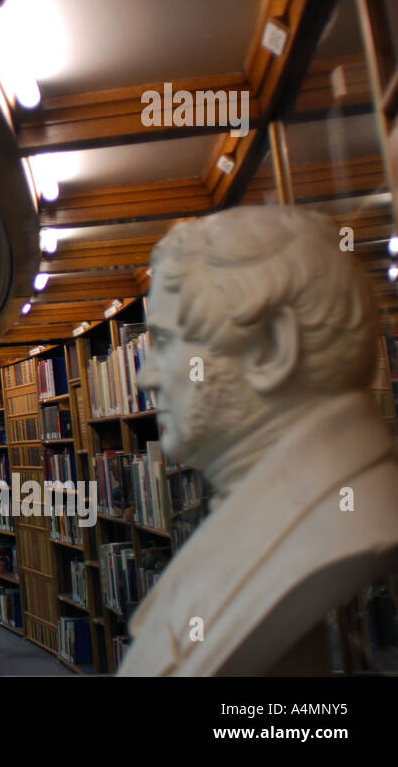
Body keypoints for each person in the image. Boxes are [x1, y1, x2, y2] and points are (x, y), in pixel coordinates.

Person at [118, 205, 398, 675]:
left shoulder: (354, 518)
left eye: (166, 342)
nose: (145, 378)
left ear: (271, 348)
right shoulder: (296, 504)